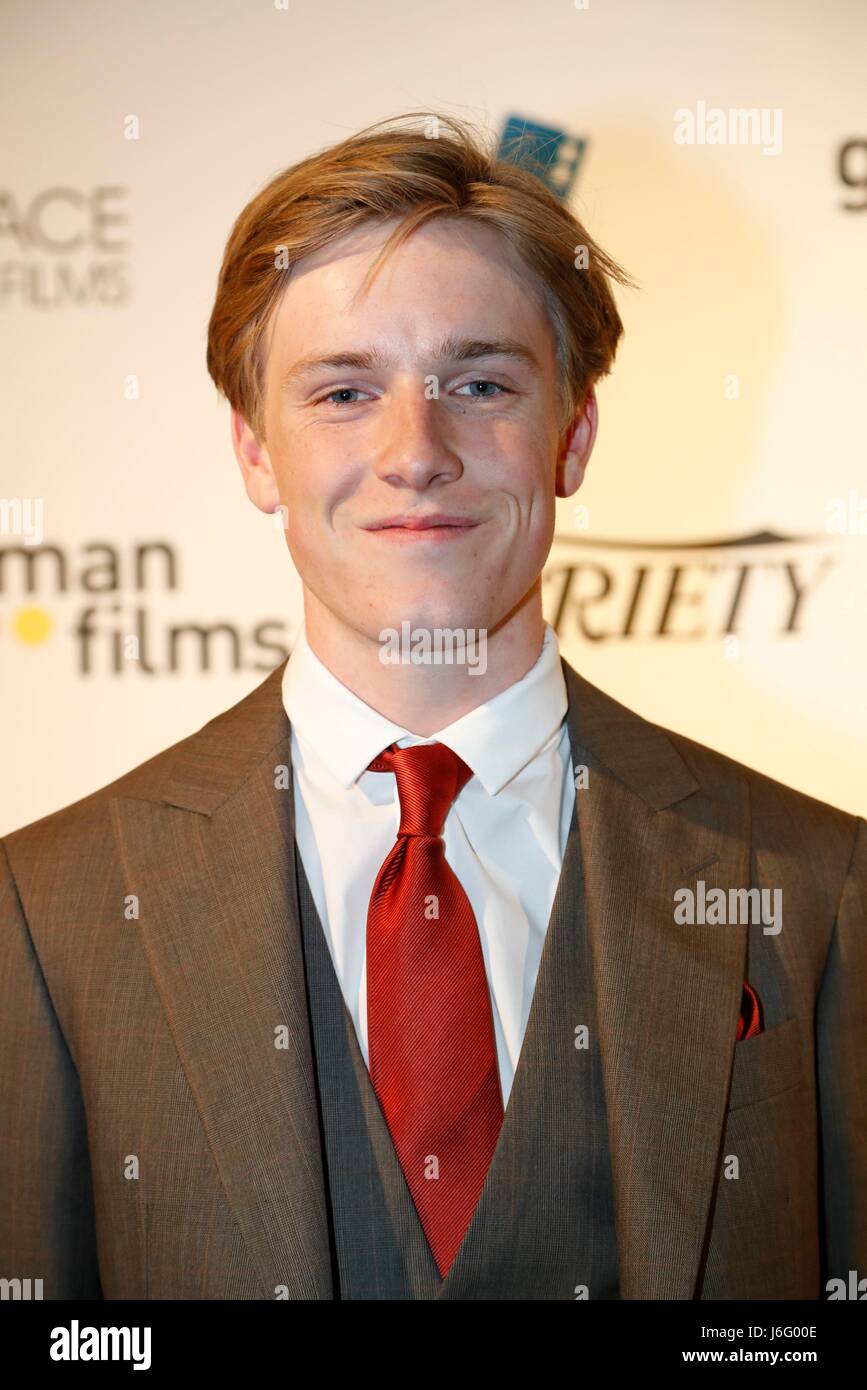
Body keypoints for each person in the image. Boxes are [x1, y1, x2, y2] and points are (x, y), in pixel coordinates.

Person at [1, 112, 864, 1301]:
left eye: (479, 381)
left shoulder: (821, 887)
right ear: (256, 450)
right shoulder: (50, 911)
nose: (418, 449)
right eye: (346, 391)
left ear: (573, 434)